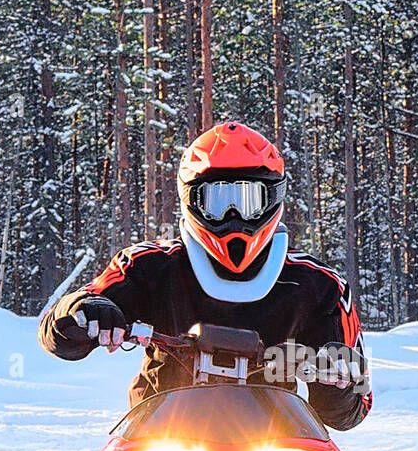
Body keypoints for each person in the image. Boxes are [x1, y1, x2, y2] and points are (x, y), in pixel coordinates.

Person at [38, 121, 371, 430]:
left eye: (249, 200)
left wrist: (337, 380)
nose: (234, 216)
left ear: (274, 199)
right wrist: (86, 311)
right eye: (217, 201)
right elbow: (59, 335)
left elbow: (349, 414)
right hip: (159, 443)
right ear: (190, 199)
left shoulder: (319, 286)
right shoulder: (147, 267)